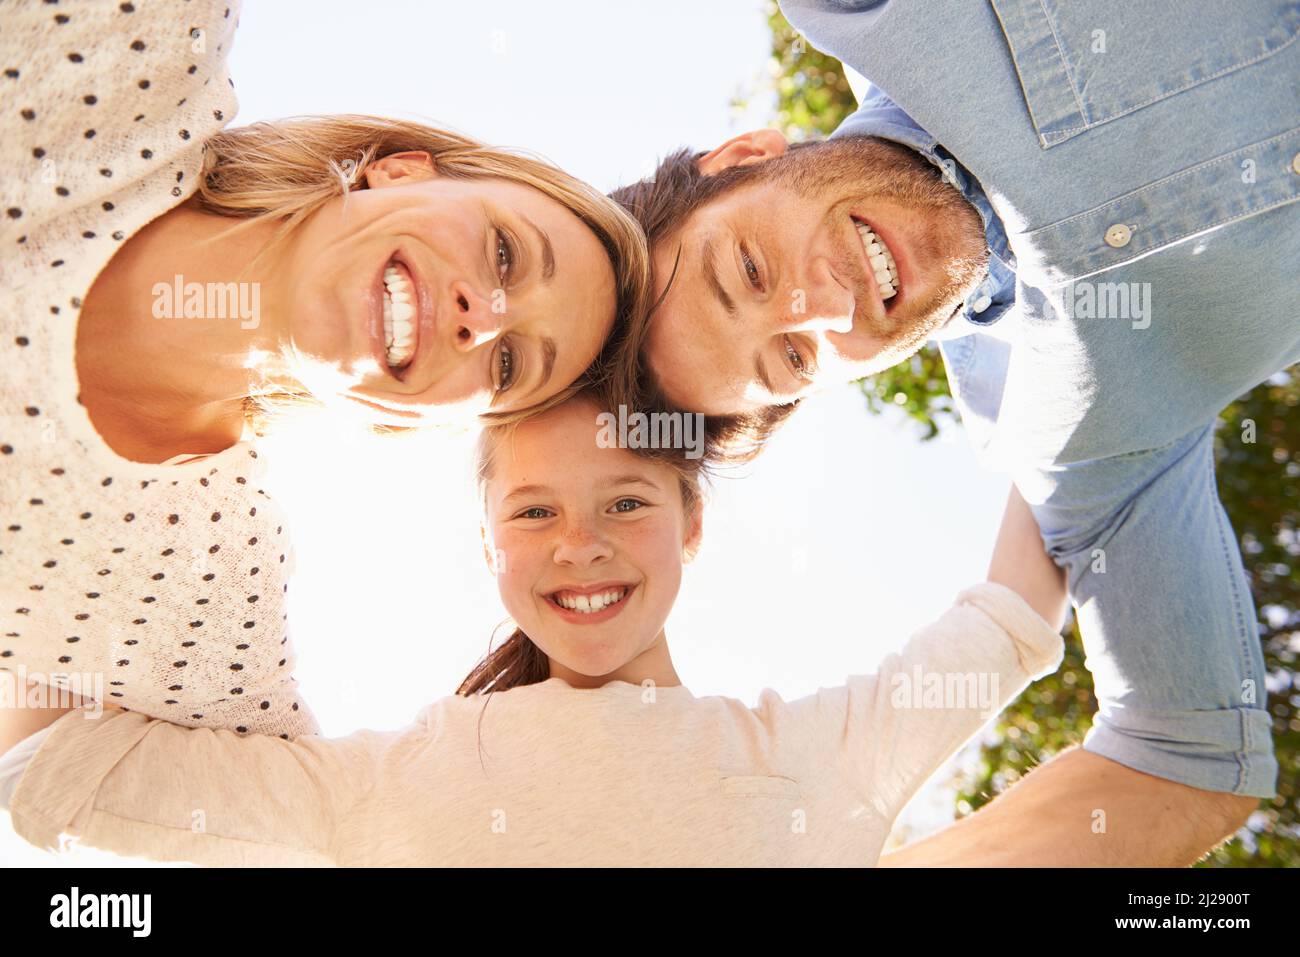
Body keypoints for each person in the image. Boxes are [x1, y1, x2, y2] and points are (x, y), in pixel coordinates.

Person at [610, 0, 1297, 862]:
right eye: (791, 357)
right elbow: (1187, 758)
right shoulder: (1067, 435)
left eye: (748, 267)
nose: (826, 303)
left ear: (744, 159)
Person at [1, 380, 1066, 866]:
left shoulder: (817, 757)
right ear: (487, 545)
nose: (580, 544)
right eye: (534, 512)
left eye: (627, 502)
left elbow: (1011, 612)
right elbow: (54, 768)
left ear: (691, 524)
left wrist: (1072, 352)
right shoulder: (382, 787)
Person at [0, 0, 650, 737]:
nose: (486, 316)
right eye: (505, 253)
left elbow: (57, 772)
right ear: (400, 171)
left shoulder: (208, 580)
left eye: (507, 363)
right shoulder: (140, 47)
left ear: (435, 419)